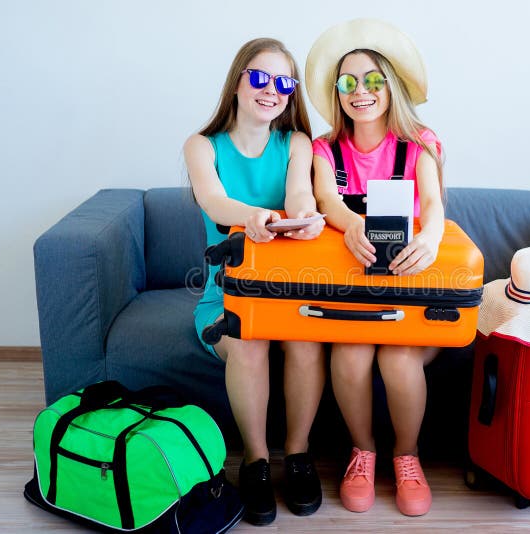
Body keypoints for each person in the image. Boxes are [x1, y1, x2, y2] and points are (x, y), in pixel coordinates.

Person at [183, 38, 326, 526]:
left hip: (289, 293)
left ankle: (300, 456)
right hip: (226, 293)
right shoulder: (201, 146)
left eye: (283, 82)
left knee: (306, 343)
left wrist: (305, 218)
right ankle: (257, 461)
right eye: (260, 78)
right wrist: (256, 217)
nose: (272, 90)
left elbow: (300, 194)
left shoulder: (298, 144)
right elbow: (214, 200)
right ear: (238, 80)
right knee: (247, 344)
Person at [305, 19, 445, 517]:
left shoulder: (418, 143)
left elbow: (433, 204)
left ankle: (406, 458)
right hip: (354, 298)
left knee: (398, 359)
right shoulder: (324, 149)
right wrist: (348, 223)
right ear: (337, 92)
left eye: (371, 81)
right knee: (349, 355)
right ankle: (361, 453)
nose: (359, 92)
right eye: (347, 82)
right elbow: (326, 199)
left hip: (411, 295)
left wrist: (429, 236)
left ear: (390, 86)